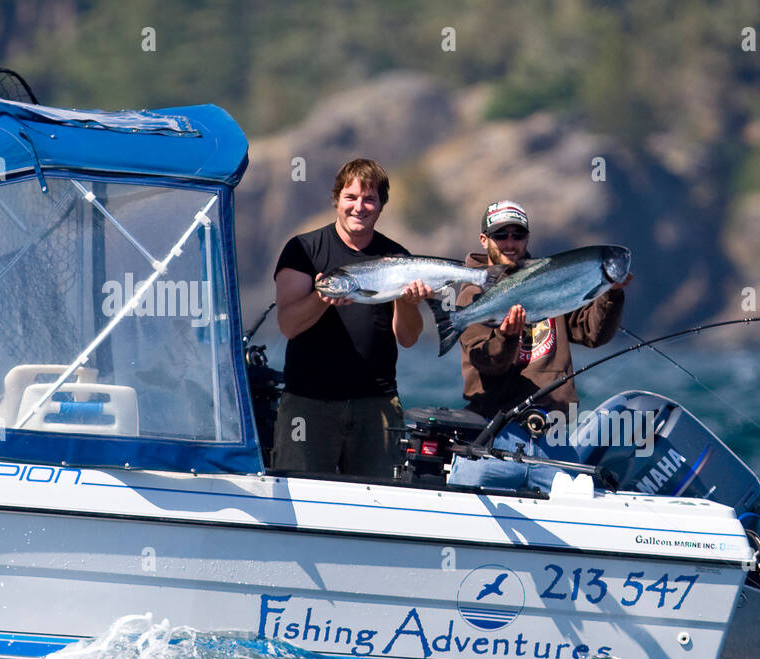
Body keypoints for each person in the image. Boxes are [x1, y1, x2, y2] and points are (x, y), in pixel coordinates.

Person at [447, 200, 632, 492]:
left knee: (578, 527)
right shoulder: (473, 294)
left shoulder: (550, 280)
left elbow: (592, 333)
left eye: (517, 235)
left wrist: (610, 295)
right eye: (500, 235)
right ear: (484, 240)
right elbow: (486, 362)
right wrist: (507, 337)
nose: (510, 243)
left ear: (527, 238)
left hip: (553, 441)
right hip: (495, 435)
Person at [271, 158, 430, 479]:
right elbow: (288, 325)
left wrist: (409, 303)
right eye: (351, 197)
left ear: (381, 205)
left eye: (369, 199)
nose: (360, 207)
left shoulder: (398, 259)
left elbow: (409, 338)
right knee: (298, 498)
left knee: (381, 503)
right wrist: (321, 299)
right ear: (336, 200)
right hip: (308, 402)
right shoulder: (303, 250)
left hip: (377, 404)